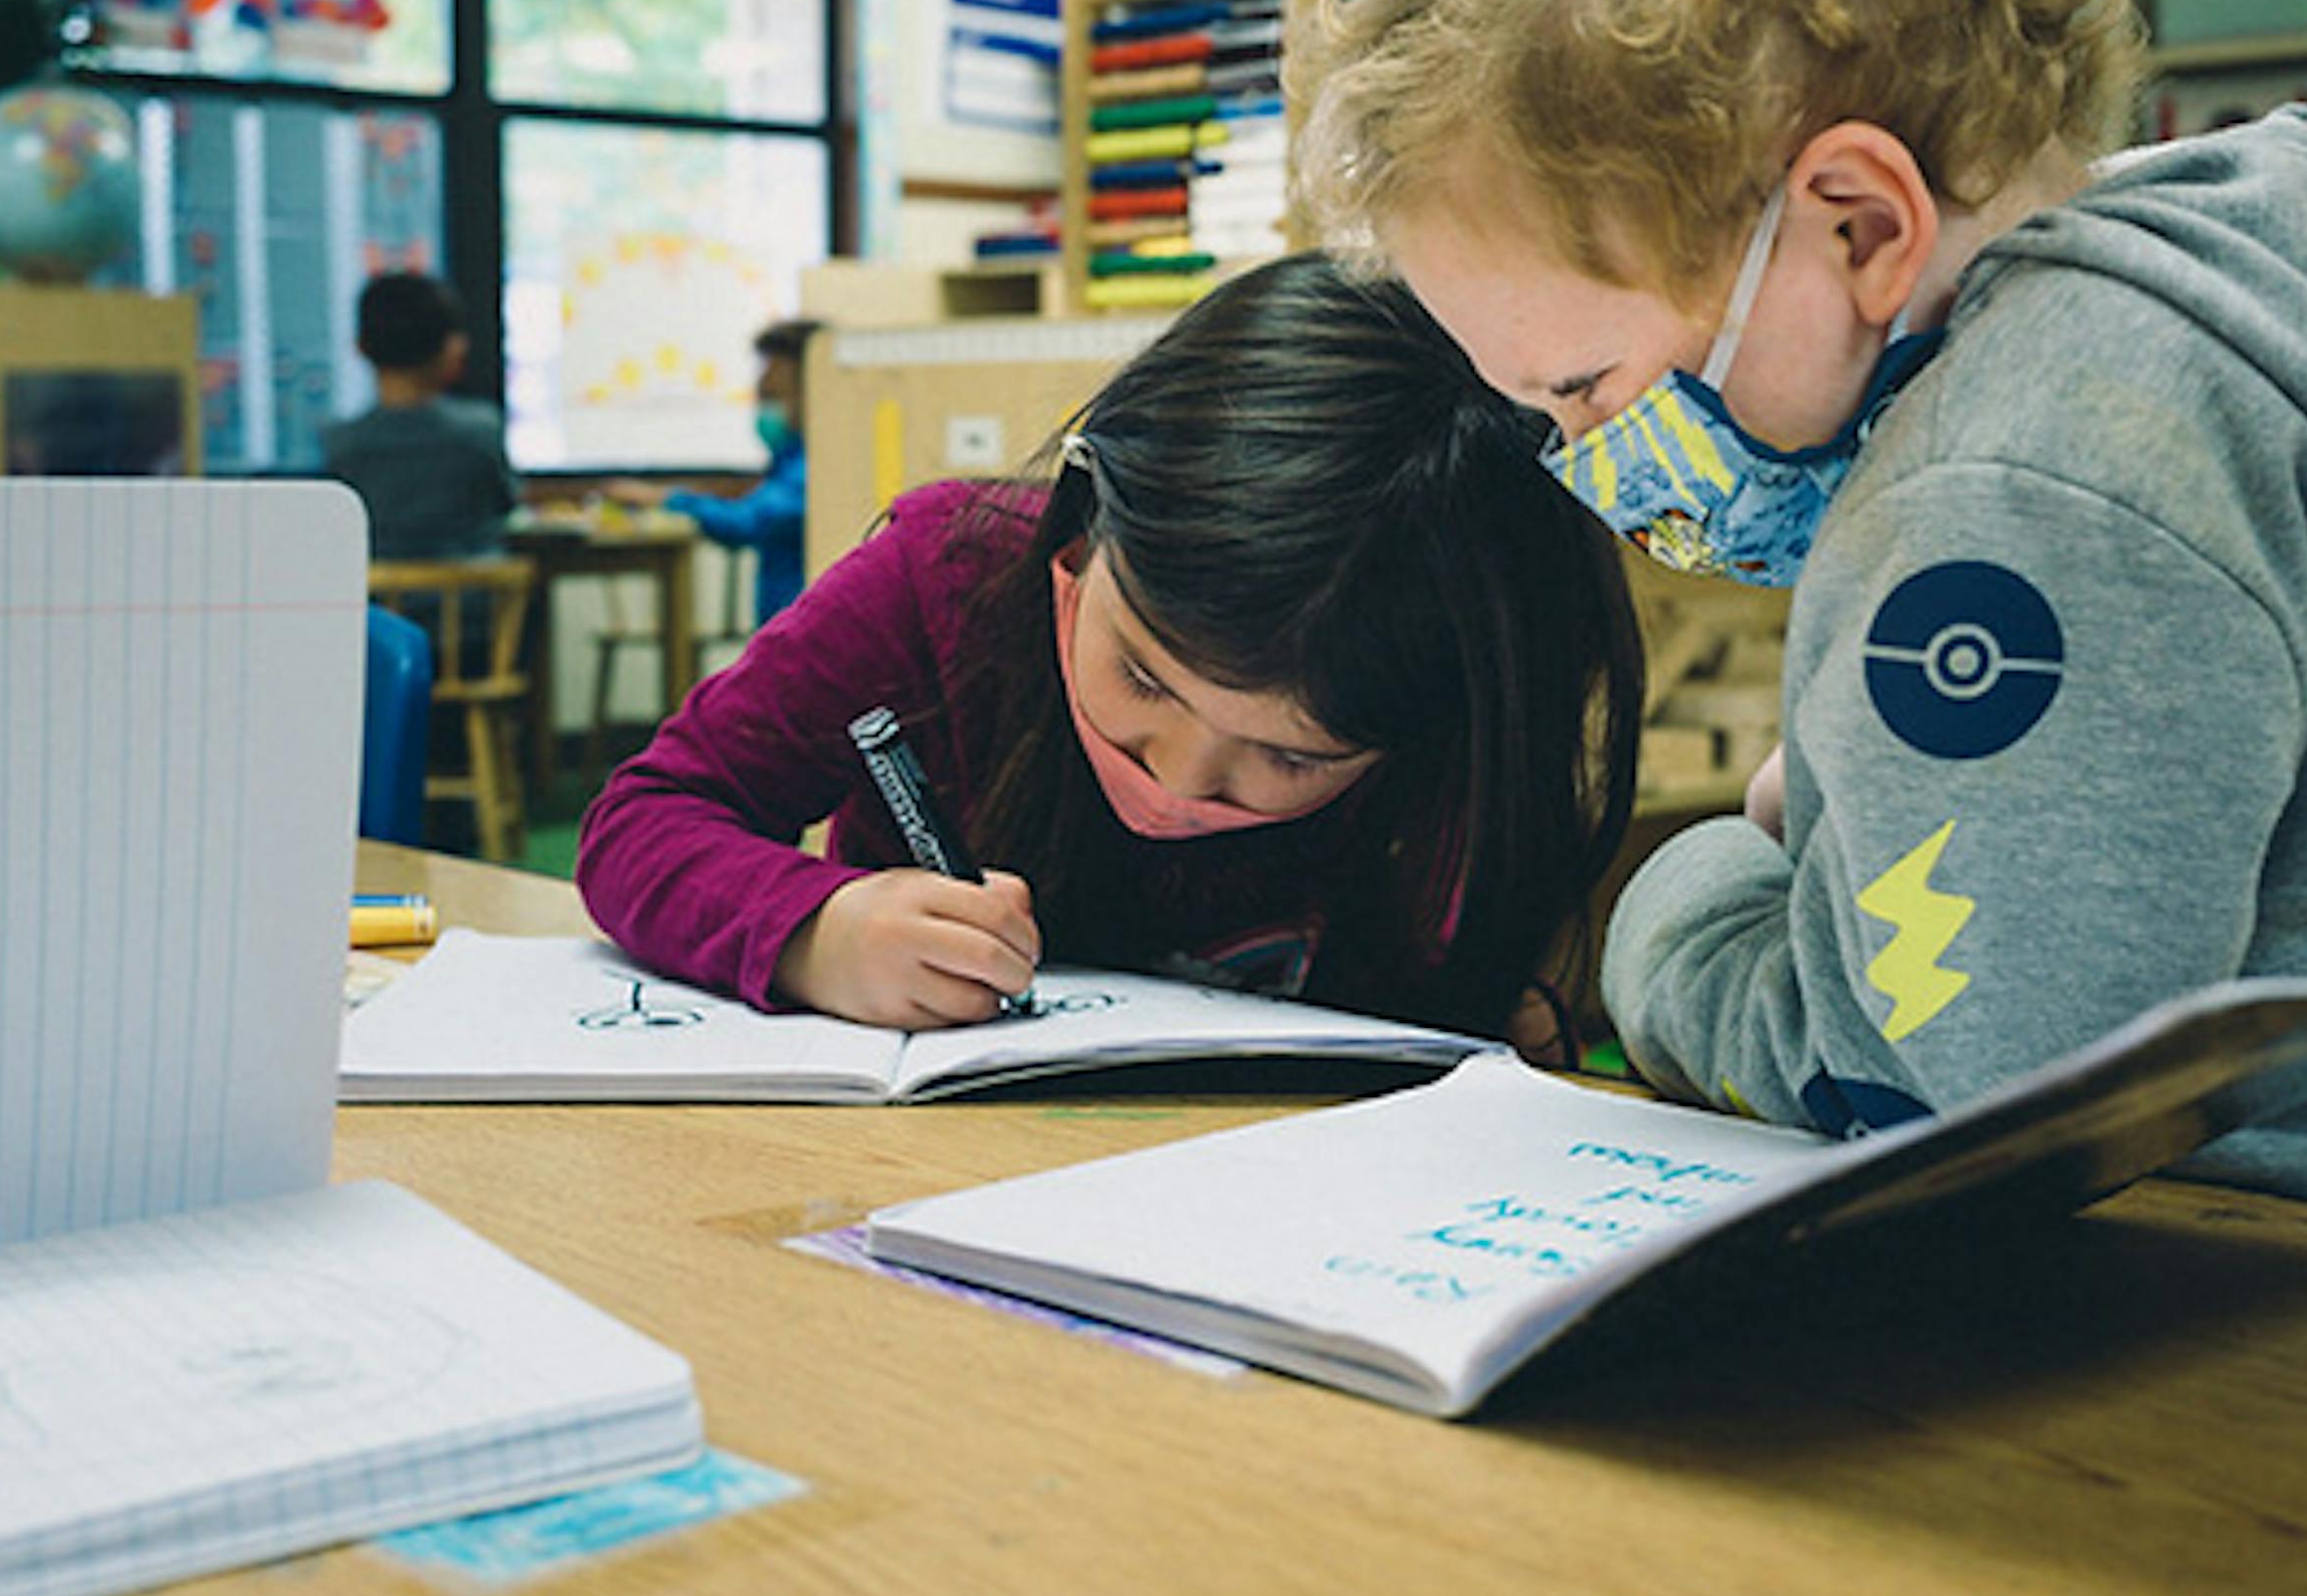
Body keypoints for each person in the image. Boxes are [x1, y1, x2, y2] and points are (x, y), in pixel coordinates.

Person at [1298, 0, 2307, 1233]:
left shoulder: (2003, 490)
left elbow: (1952, 1108)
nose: (1586, 451)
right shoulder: (2290, 239)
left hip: (2260, 1304)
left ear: (1858, 225)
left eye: (1586, 386)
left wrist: (1679, 911)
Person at [576, 255, 1644, 1055]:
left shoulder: (1462, 712)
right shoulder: (942, 578)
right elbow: (645, 818)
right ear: (1085, 530)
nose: (1178, 782)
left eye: (1294, 758)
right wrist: (816, 932)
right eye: (1141, 676)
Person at [607, 317, 817, 618]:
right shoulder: (789, 461)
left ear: (813, 393)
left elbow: (748, 520)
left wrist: (667, 500)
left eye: (773, 397)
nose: (764, 412)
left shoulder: (816, 470)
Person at [323, 272, 517, 560]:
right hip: (474, 601)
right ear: (452, 349)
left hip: (374, 601)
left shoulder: (337, 444)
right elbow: (507, 503)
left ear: (360, 347)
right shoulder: (480, 431)